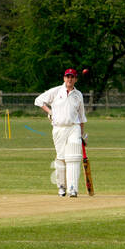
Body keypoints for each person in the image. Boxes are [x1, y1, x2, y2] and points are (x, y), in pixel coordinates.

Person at [35, 68, 86, 197]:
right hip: (59, 129)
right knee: (61, 158)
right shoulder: (56, 91)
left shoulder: (78, 94)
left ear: (75, 79)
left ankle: (73, 189)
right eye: (67, 77)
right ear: (64, 78)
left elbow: (81, 116)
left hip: (74, 127)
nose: (69, 79)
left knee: (73, 156)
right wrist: (50, 112)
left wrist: (82, 135)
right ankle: (62, 186)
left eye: (72, 77)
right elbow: (39, 101)